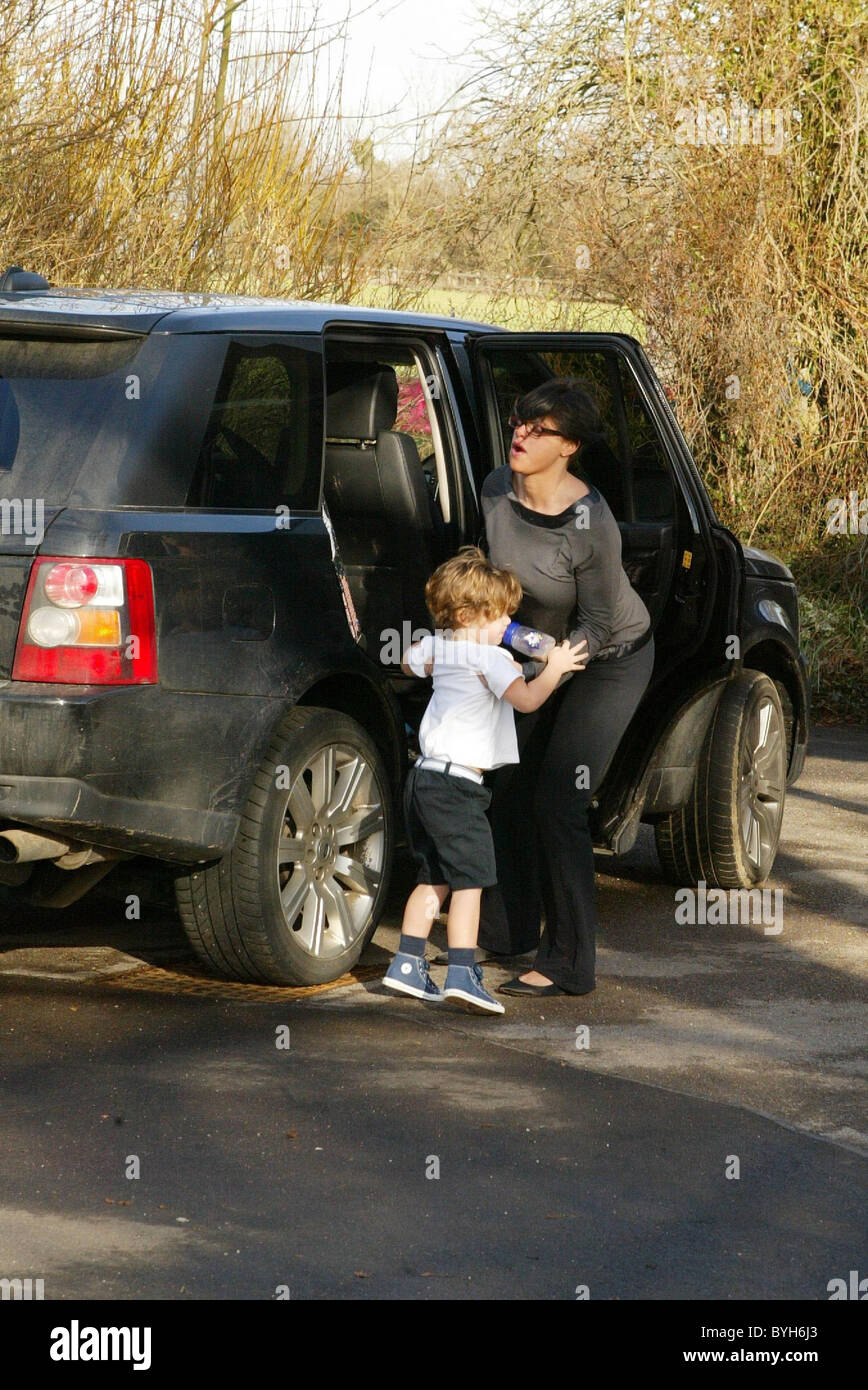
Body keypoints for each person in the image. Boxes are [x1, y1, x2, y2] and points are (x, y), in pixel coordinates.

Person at [479, 377, 655, 997]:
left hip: (608, 657)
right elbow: (489, 577)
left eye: (539, 429)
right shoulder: (496, 489)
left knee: (559, 799)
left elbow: (598, 626)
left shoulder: (590, 522)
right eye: (519, 421)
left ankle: (569, 963)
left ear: (569, 446)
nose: (521, 435)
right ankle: (508, 932)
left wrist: (528, 655)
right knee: (506, 782)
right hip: (541, 650)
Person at [382, 546, 588, 1014]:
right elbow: (528, 701)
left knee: (433, 877)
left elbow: (409, 662)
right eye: (500, 617)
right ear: (467, 615)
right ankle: (461, 973)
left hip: (424, 780)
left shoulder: (441, 647)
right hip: (459, 788)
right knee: (470, 882)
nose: (508, 626)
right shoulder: (490, 658)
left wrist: (437, 651)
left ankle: (407, 964)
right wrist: (553, 670)